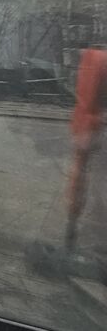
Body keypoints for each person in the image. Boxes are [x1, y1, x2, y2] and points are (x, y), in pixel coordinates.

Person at [67, 47, 107, 247]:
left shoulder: (94, 57)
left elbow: (87, 99)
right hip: (91, 127)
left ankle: (73, 230)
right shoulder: (97, 57)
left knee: (83, 177)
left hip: (88, 128)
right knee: (88, 179)